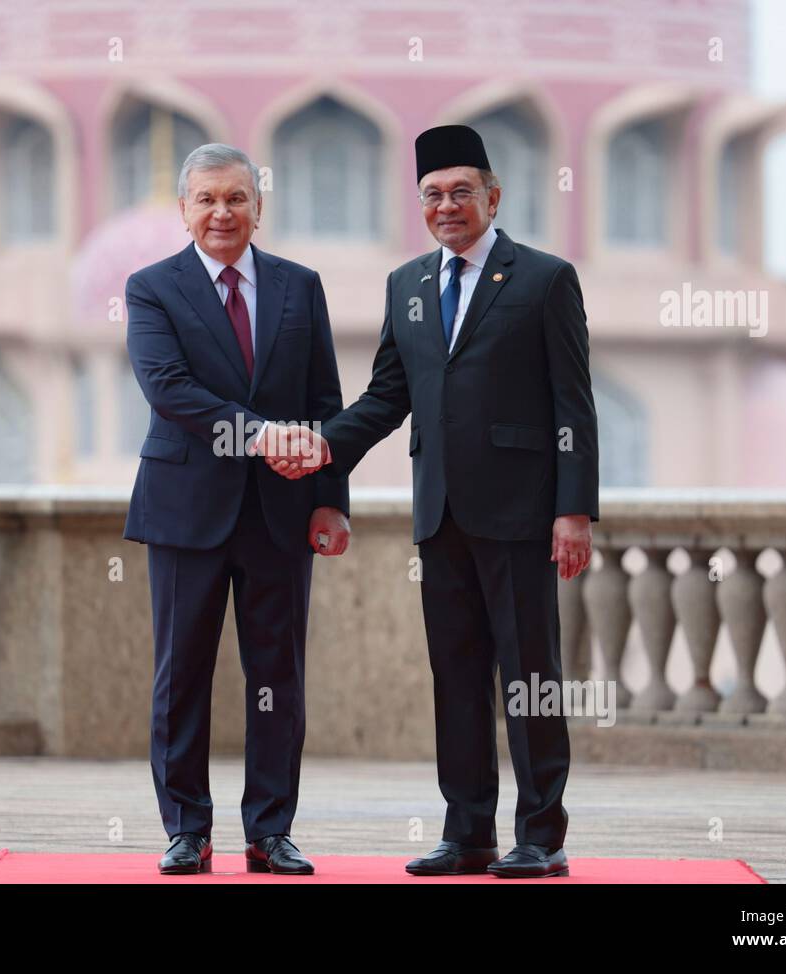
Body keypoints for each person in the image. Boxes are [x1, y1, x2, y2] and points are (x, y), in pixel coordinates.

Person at [256, 124, 598, 878]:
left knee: (530, 679)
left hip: (522, 515)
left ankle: (541, 835)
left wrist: (574, 512)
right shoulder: (408, 285)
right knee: (458, 677)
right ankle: (468, 832)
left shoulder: (543, 279)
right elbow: (387, 396)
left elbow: (574, 407)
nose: (447, 206)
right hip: (439, 514)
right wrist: (321, 448)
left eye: (461, 192)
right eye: (433, 195)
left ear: (493, 196)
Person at [124, 143, 351, 876]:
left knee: (276, 680)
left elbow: (324, 401)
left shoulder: (299, 286)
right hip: (187, 510)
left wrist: (331, 503)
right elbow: (167, 387)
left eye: (236, 199)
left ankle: (270, 831)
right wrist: (258, 434)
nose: (222, 212)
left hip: (282, 514)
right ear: (184, 210)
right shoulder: (151, 287)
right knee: (181, 673)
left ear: (259, 207)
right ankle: (186, 829)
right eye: (207, 199)